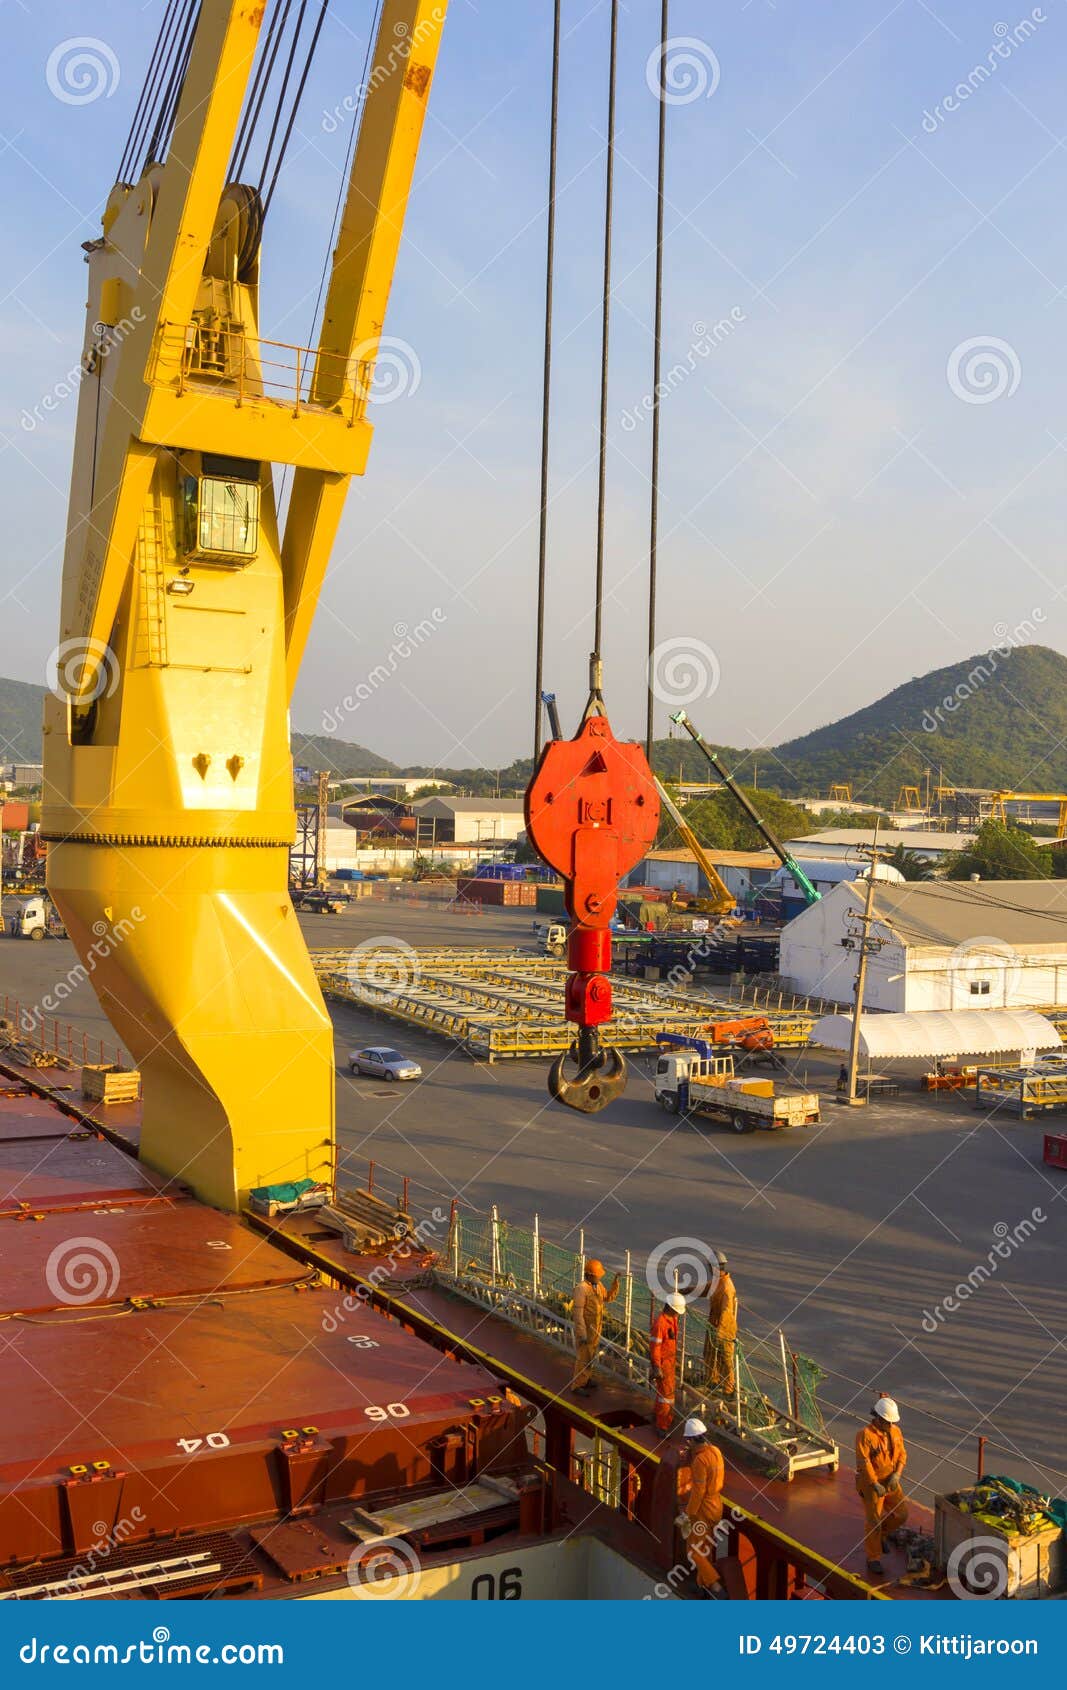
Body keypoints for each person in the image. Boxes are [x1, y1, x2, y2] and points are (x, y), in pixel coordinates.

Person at [855, 1395, 908, 1576]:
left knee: (902, 1514)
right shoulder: (864, 1436)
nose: (891, 1426)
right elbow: (864, 1462)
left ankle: (882, 1536)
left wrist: (897, 1474)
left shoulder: (896, 1432)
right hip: (871, 1485)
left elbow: (902, 1454)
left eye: (892, 1422)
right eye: (888, 1422)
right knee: (873, 1522)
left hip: (890, 1480)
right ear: (878, 1418)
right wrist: (874, 1483)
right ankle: (873, 1558)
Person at [676, 1417, 725, 1595]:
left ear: (690, 1440)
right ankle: (701, 1585)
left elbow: (698, 1492)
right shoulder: (716, 1451)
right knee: (704, 1547)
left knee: (693, 1551)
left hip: (703, 1510)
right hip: (717, 1506)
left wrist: (688, 1514)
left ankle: (715, 1586)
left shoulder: (699, 1461)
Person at [570, 1257, 620, 1395]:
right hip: (586, 1330)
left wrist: (615, 1284)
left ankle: (586, 1379)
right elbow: (578, 1314)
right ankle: (577, 1385)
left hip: (595, 1330)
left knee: (590, 1357)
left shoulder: (598, 1286)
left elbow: (608, 1297)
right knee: (583, 1358)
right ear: (590, 1275)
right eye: (598, 1276)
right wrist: (582, 1334)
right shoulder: (581, 1289)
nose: (599, 1278)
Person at [649, 1291, 686, 1432]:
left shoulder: (671, 1320)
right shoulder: (661, 1324)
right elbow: (655, 1347)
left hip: (669, 1363)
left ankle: (659, 1416)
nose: (678, 1315)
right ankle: (662, 1425)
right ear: (670, 1308)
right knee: (667, 1396)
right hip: (664, 1364)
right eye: (676, 1311)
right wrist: (657, 1367)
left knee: (662, 1394)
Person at [703, 1251, 737, 1399]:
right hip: (713, 1324)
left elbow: (727, 1311)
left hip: (724, 1328)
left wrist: (720, 1333)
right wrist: (686, 1290)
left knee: (725, 1358)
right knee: (709, 1354)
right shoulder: (718, 1282)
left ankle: (729, 1390)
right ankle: (713, 1381)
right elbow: (705, 1289)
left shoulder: (726, 1287)